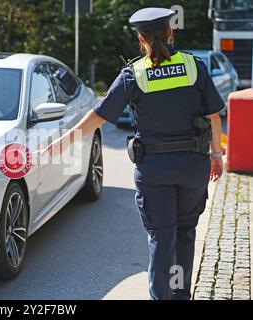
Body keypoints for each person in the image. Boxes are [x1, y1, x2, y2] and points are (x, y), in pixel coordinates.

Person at [44, 7, 224, 300]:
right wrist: (216, 157)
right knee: (184, 234)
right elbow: (215, 116)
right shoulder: (194, 67)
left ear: (141, 39)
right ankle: (179, 295)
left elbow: (98, 116)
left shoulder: (134, 74)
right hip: (193, 167)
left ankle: (161, 297)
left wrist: (58, 144)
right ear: (171, 32)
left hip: (154, 170)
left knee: (161, 237)